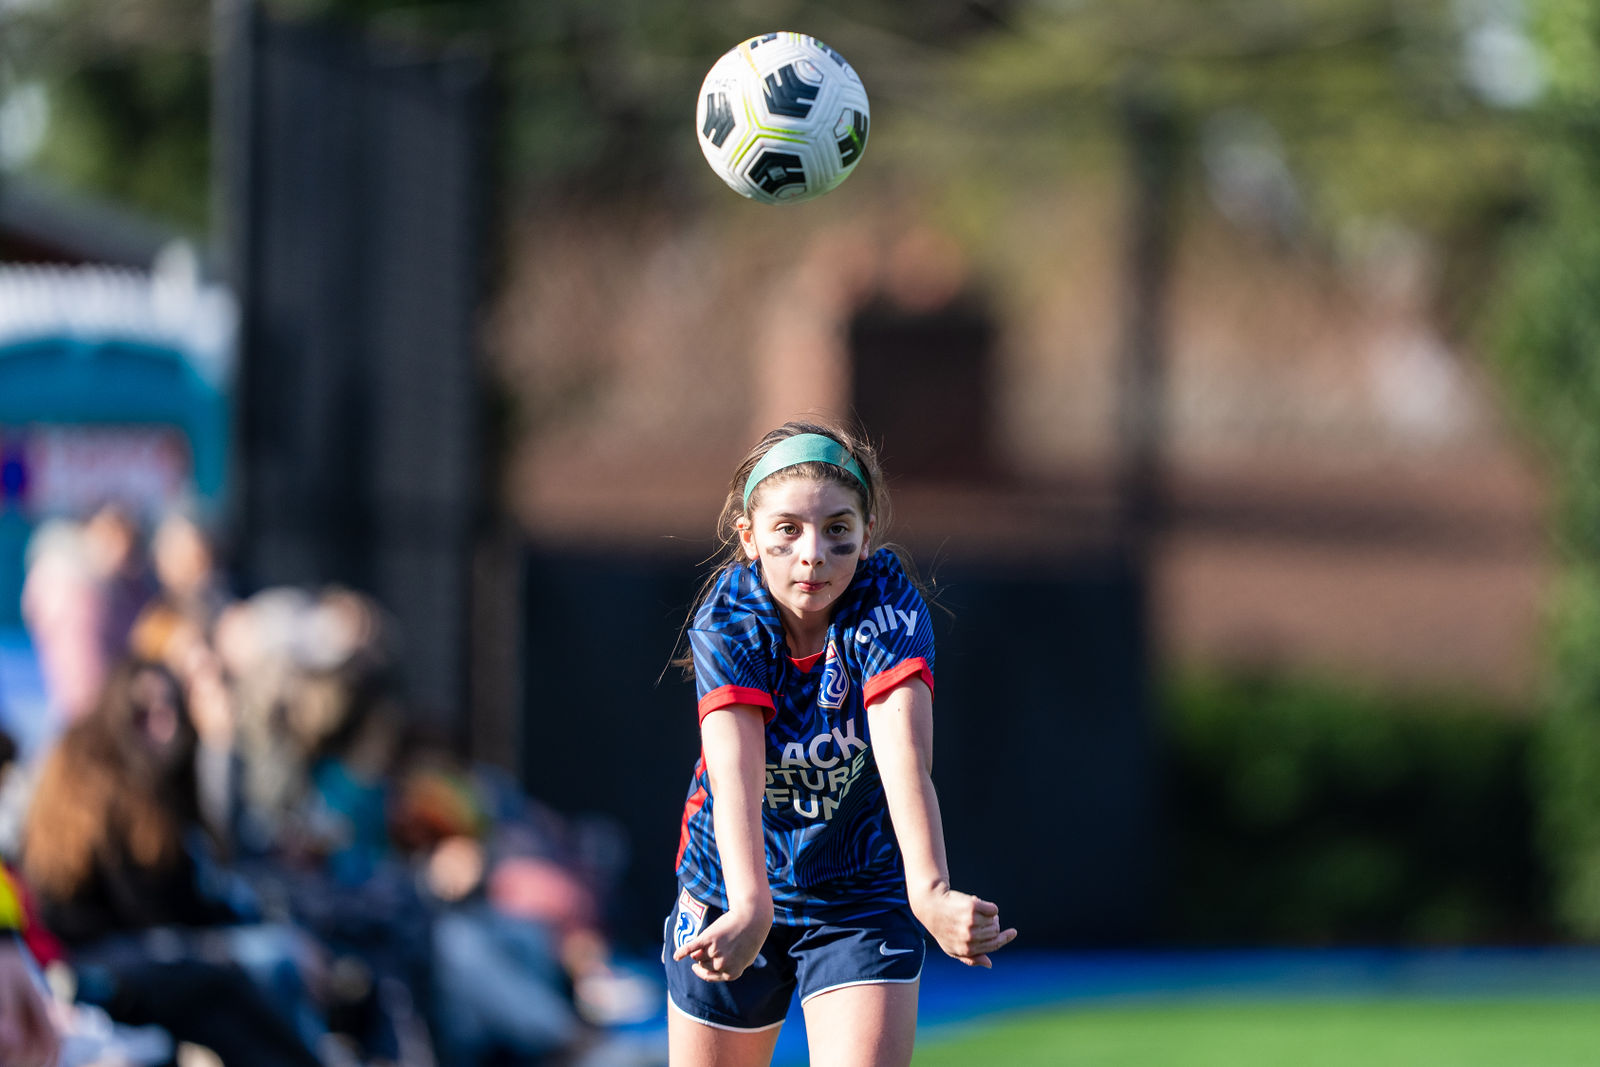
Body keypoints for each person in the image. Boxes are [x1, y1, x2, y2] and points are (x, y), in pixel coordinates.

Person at [665, 420, 1017, 1067]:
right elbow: (733, 773)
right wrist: (749, 904)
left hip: (857, 889)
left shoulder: (885, 605)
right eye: (787, 529)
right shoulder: (730, 616)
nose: (813, 553)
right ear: (749, 536)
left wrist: (931, 892)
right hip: (730, 882)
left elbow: (903, 757)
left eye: (836, 529)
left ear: (867, 532)